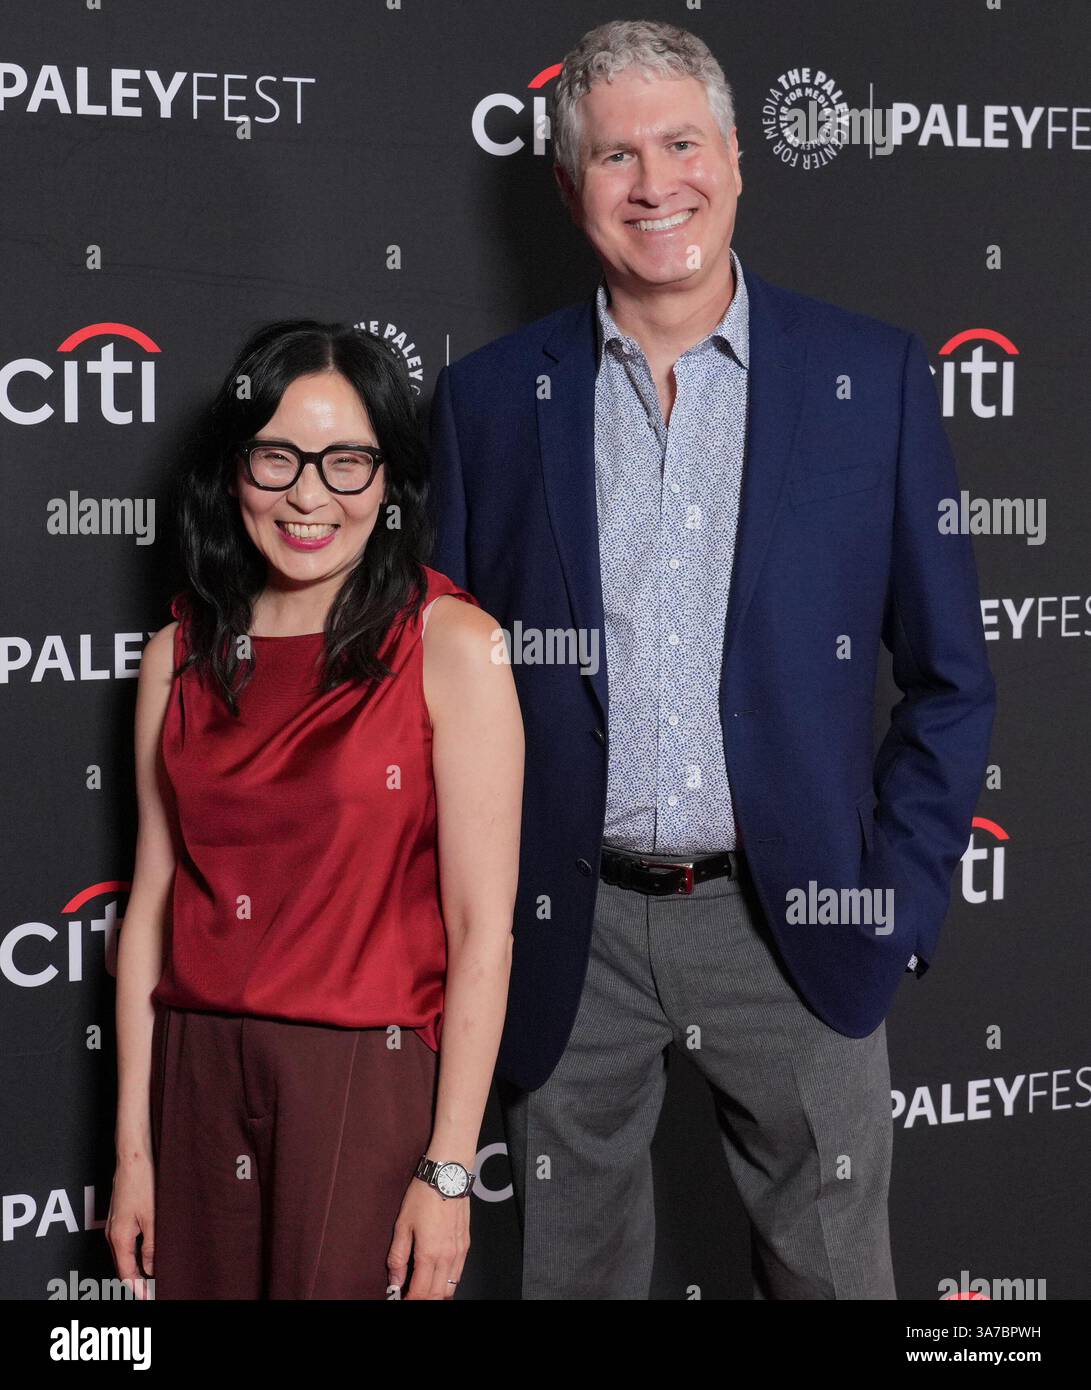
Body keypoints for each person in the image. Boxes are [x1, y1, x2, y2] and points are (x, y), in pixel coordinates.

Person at [428, 20, 996, 1299]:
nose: (653, 182)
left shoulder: (873, 379)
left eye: (680, 142)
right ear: (571, 188)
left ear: (736, 158)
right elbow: (439, 695)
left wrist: (890, 897)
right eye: (614, 155)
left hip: (788, 921)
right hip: (566, 929)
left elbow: (952, 678)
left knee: (835, 1277)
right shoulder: (486, 405)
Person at [106, 321, 523, 1300]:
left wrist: (448, 1167)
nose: (308, 494)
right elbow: (151, 907)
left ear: (387, 483)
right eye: (277, 457)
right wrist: (134, 1149)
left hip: (361, 1078)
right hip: (197, 1073)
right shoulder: (178, 654)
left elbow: (482, 931)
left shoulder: (452, 643)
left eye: (346, 462)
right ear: (233, 469)